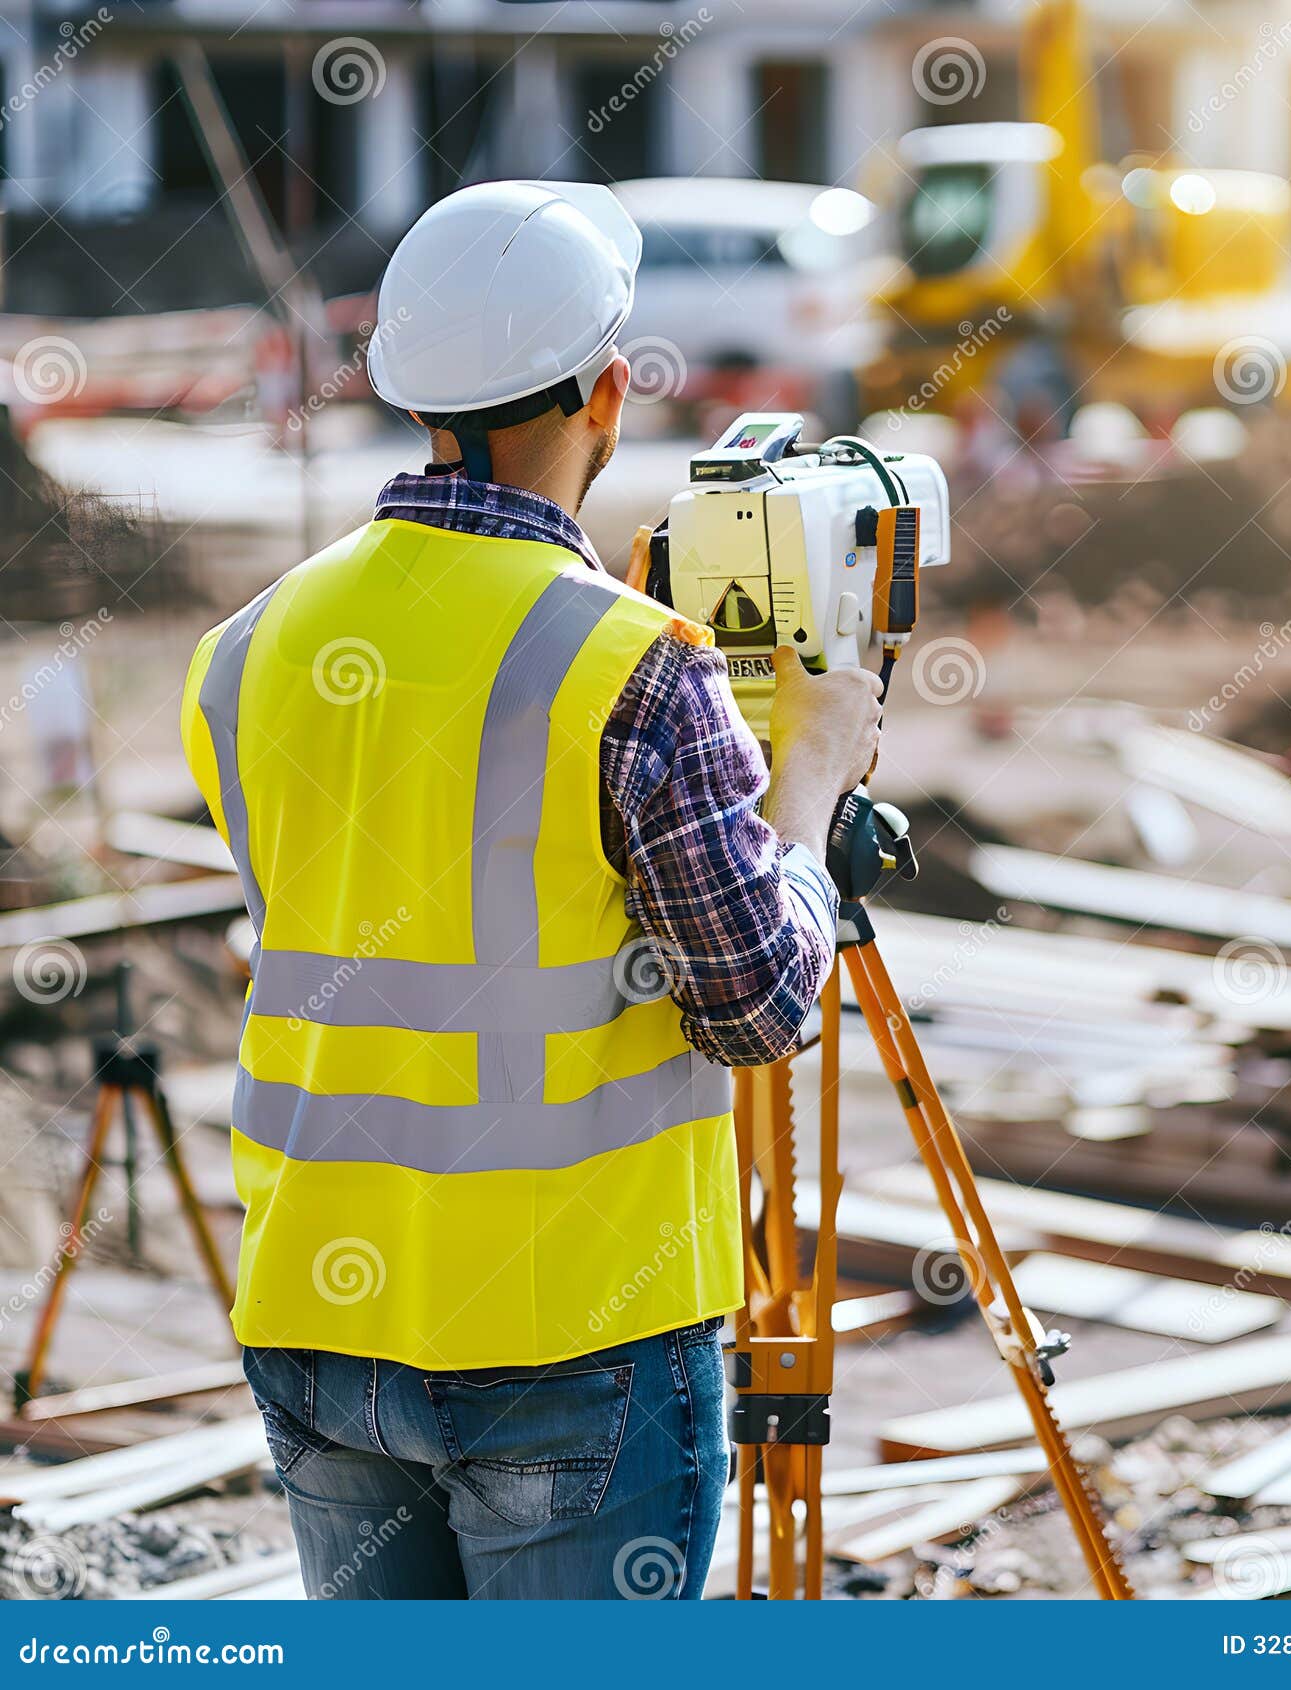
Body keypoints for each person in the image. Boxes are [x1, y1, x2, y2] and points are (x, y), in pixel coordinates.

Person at [180, 181, 881, 1600]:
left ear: (410, 398)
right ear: (610, 392)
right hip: (570, 1334)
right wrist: (806, 787)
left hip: (317, 1309)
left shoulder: (247, 648)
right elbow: (755, 1004)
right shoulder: (638, 667)